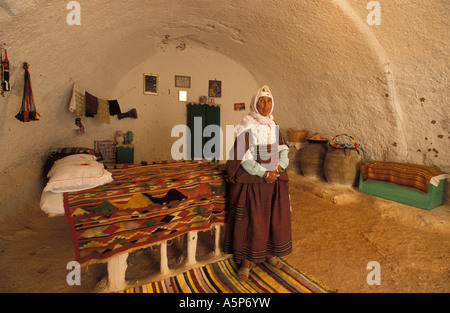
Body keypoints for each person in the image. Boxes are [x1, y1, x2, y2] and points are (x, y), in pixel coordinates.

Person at [223, 85, 292, 281]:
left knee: (271, 217)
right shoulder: (246, 126)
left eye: (269, 100)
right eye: (261, 100)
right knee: (253, 220)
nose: (265, 104)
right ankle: (246, 262)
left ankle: (269, 253)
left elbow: (284, 150)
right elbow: (243, 157)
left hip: (274, 179)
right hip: (254, 180)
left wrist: (279, 168)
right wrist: (264, 174)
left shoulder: (273, 125)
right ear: (254, 103)